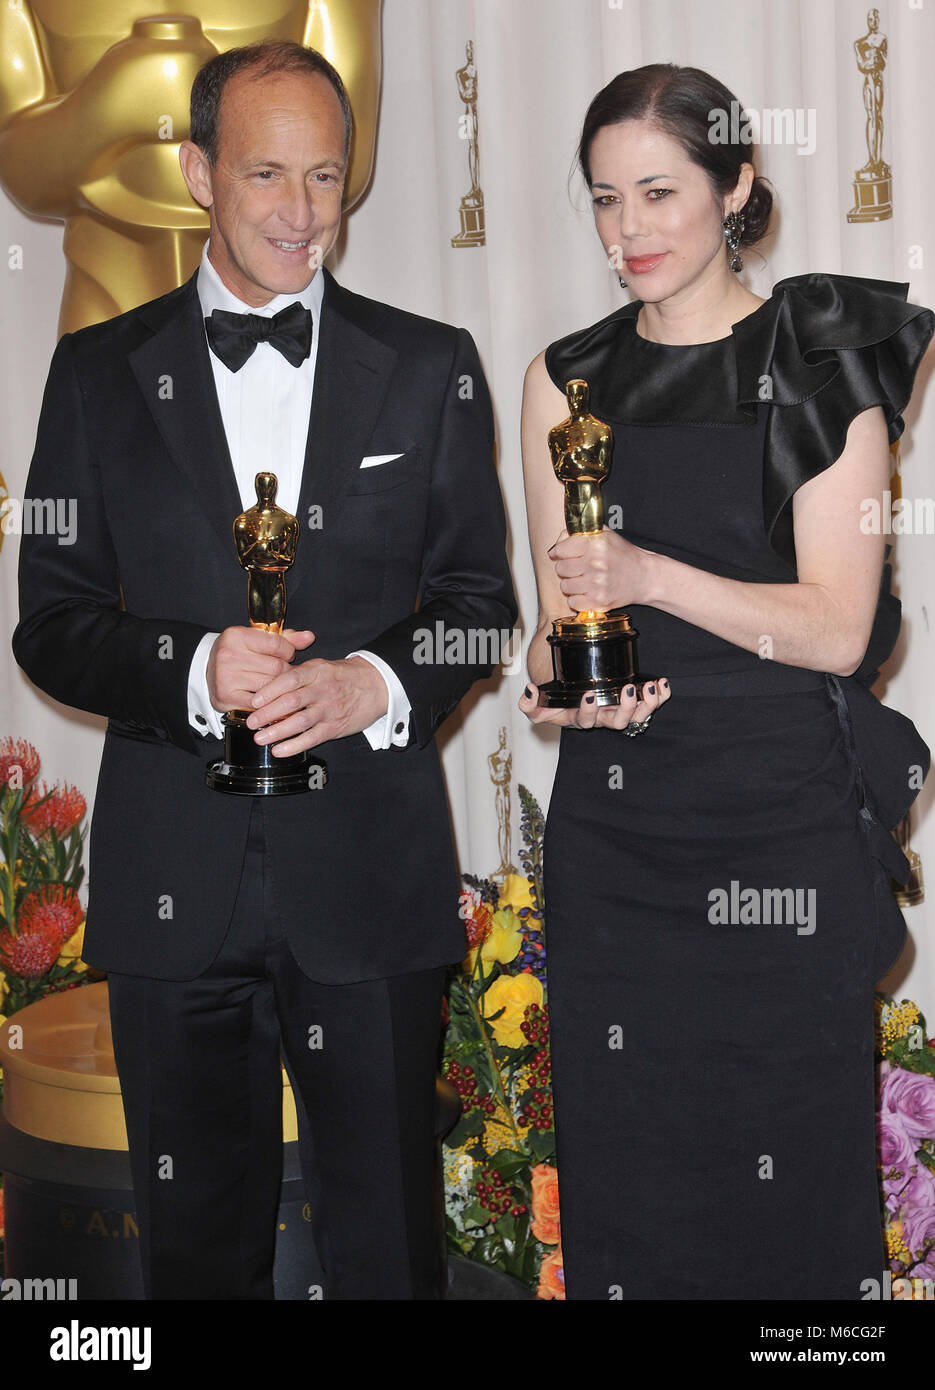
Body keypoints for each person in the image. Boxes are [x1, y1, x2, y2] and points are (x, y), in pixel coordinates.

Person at [12, 39, 515, 1300]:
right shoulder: (95, 373)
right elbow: (52, 623)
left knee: (390, 1255)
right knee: (192, 1263)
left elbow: (476, 610)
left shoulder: (431, 363)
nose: (302, 215)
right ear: (197, 173)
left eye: (327, 178)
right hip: (174, 893)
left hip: (369, 881)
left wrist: (373, 687)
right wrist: (192, 668)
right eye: (266, 175)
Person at [519, 63, 932, 1300]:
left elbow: (835, 629)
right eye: (603, 199)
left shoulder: (820, 361)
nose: (627, 230)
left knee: (791, 1188)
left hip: (776, 827)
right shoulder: (563, 377)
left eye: (657, 192)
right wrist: (563, 682)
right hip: (618, 833)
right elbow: (558, 622)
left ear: (735, 186)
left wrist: (650, 570)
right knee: (626, 1177)